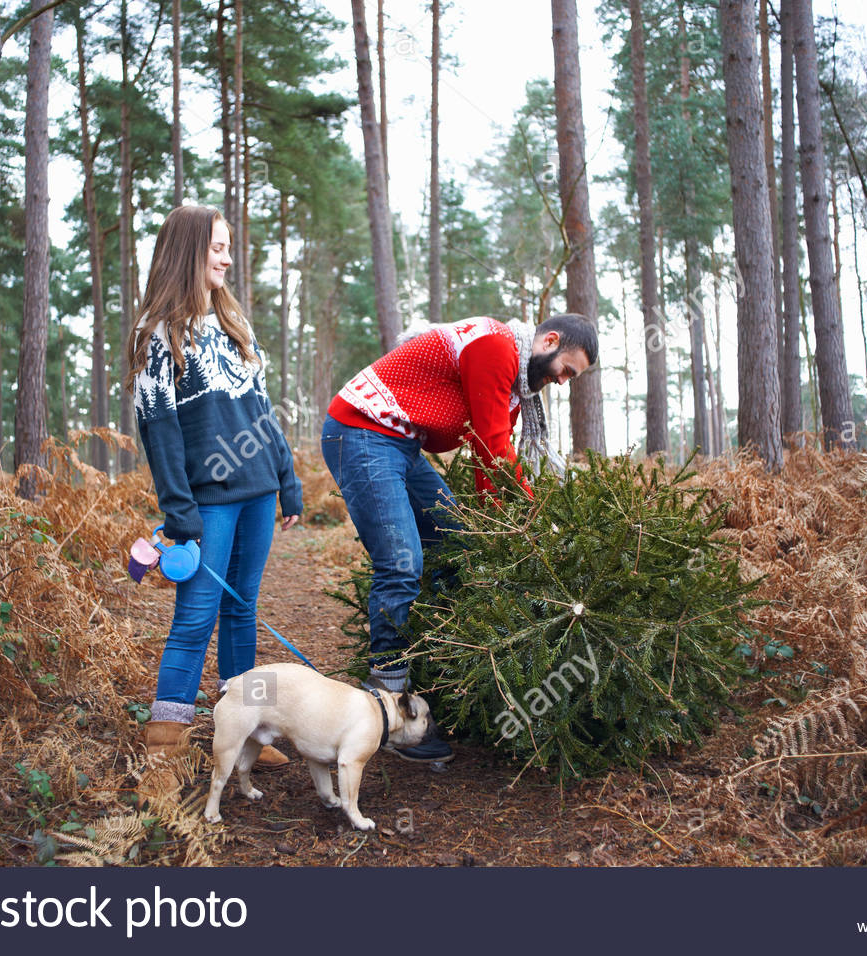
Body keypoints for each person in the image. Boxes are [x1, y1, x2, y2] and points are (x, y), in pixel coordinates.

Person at [321, 313, 598, 762]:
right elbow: (491, 451)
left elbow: (495, 456)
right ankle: (388, 711)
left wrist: (501, 533)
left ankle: (440, 675)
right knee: (401, 562)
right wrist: (525, 525)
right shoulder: (497, 347)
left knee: (457, 542)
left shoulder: (515, 383)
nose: (564, 382)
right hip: (362, 431)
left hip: (400, 442)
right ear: (549, 340)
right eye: (566, 369)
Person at [126, 204, 302, 769]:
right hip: (207, 502)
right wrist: (179, 511)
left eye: (228, 247)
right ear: (188, 251)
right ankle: (166, 738)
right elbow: (160, 428)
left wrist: (287, 480)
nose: (227, 257)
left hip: (257, 492)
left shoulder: (235, 324)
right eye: (217, 247)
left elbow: (262, 410)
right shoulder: (157, 333)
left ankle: (245, 734)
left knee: (243, 609)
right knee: (196, 616)